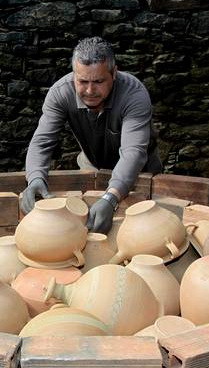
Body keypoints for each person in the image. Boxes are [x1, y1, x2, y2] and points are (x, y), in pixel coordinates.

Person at [21, 36, 162, 234]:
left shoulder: (134, 94)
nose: (89, 90)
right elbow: (42, 141)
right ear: (73, 74)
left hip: (141, 173)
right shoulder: (60, 93)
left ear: (114, 72)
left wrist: (110, 198)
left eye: (98, 81)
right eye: (83, 81)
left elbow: (133, 152)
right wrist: (35, 178)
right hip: (92, 167)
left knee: (147, 234)